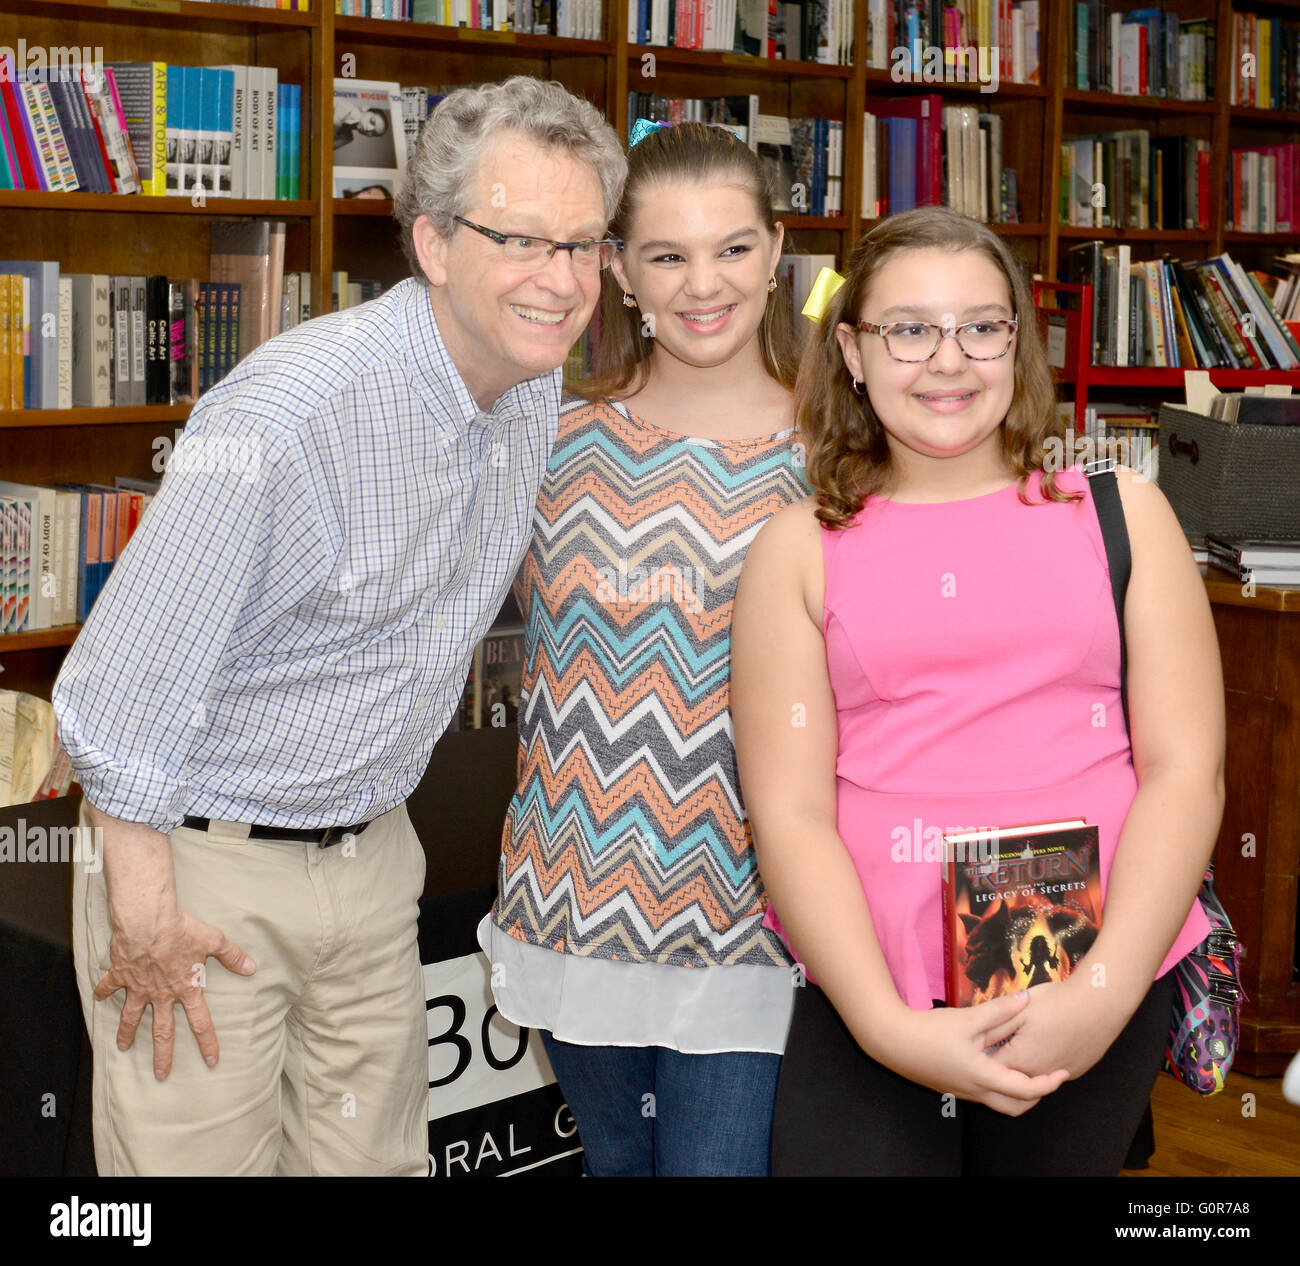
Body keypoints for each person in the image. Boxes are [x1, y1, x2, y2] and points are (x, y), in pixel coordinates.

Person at [52, 76, 626, 1177]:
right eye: (521, 240)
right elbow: (118, 691)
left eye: (585, 244)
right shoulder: (284, 416)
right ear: (434, 244)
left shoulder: (534, 387)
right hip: (200, 868)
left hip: (371, 857)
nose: (562, 282)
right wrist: (146, 915)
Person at [729, 206, 1225, 1177]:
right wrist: (882, 1026)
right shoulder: (796, 551)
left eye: (980, 326)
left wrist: (1105, 993)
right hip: (869, 994)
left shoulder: (1124, 514)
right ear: (853, 352)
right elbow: (788, 814)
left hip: (1095, 981)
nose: (947, 360)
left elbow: (1185, 771)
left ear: (1017, 343)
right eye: (908, 329)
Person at [479, 120, 807, 1176]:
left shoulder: (847, 450)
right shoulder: (550, 439)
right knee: (618, 1166)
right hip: (572, 899)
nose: (700, 284)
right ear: (618, 272)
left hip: (760, 917)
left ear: (776, 251)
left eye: (731, 248)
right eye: (666, 255)